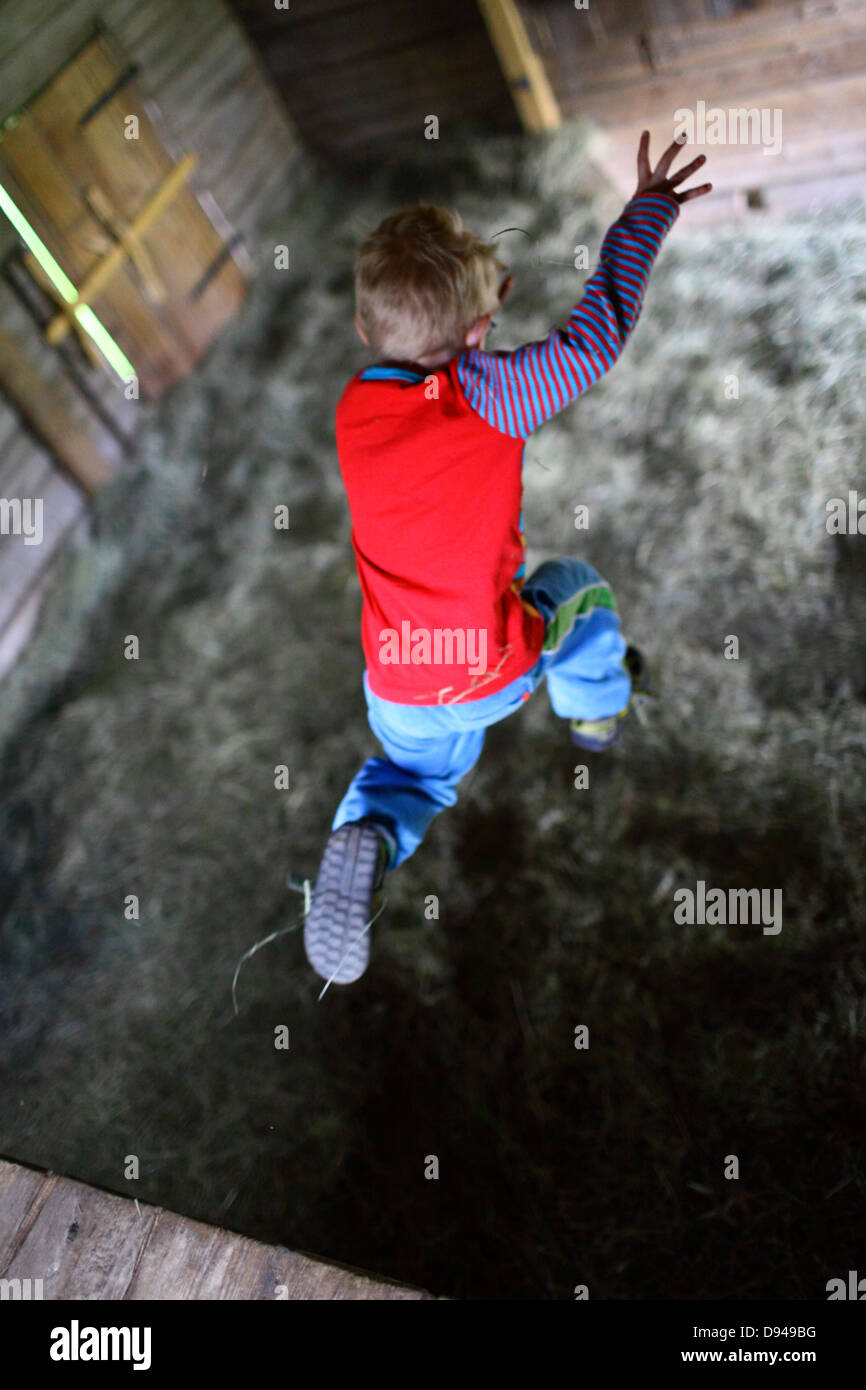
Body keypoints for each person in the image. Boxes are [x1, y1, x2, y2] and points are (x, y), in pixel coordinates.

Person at [304, 131, 711, 986]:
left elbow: (427, 365)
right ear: (483, 330)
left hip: (400, 681)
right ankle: (596, 710)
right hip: (491, 666)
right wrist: (646, 214)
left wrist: (472, 326)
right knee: (577, 591)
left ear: (360, 328)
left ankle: (370, 837)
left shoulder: (352, 411)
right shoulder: (489, 393)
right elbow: (595, 338)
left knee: (412, 777)